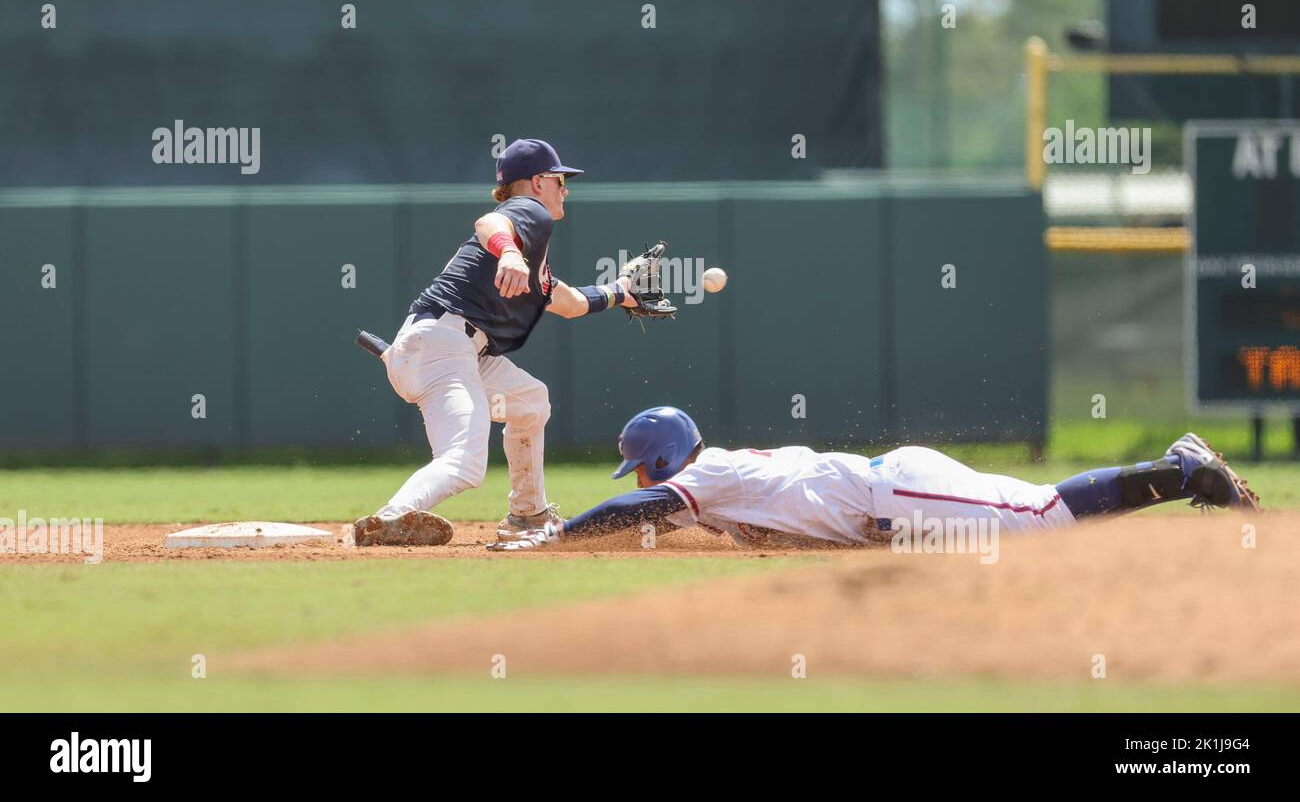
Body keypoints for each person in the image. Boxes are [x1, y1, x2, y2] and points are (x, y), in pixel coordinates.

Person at [353, 138, 654, 547]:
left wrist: (621, 292)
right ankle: (388, 519)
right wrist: (509, 253)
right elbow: (489, 224)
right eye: (559, 179)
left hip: (450, 349)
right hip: (442, 346)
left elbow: (569, 303)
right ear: (536, 182)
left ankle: (528, 514)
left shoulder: (530, 249)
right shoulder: (527, 213)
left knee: (532, 402)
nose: (566, 188)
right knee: (465, 463)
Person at [487, 406, 1260, 551]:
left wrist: (562, 536)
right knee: (1042, 515)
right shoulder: (723, 487)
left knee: (1047, 516)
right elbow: (656, 515)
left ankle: (1182, 468)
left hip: (893, 495)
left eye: (642, 463)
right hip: (892, 502)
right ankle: (1177, 467)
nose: (644, 477)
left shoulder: (711, 472)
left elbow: (638, 506)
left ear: (659, 458)